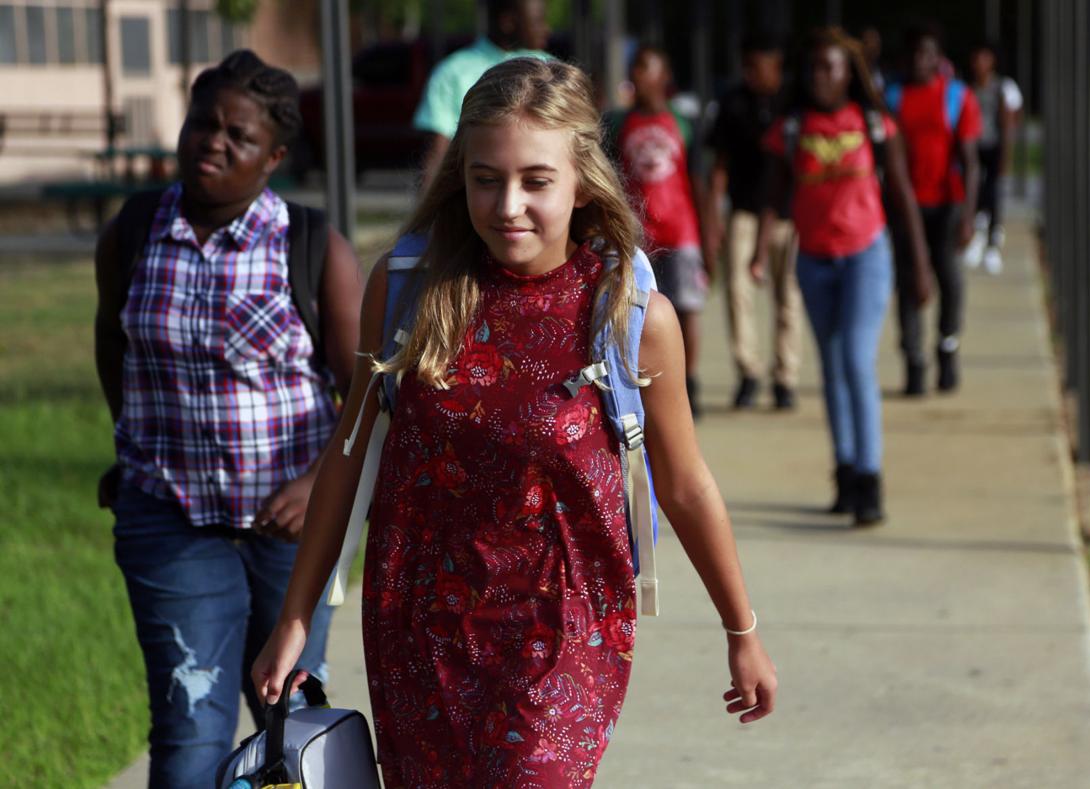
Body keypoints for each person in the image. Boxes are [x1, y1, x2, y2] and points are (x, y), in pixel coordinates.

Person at [251, 57, 777, 788]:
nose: (507, 206)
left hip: (562, 632)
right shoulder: (407, 292)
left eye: (536, 180)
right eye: (485, 178)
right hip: (419, 626)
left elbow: (685, 484)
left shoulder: (629, 317)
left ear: (582, 181)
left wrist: (741, 629)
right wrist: (296, 620)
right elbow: (348, 458)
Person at [92, 50, 364, 788]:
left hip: (291, 539)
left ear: (273, 157)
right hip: (170, 521)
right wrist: (137, 447)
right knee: (188, 731)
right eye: (201, 123)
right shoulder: (136, 231)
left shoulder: (310, 248)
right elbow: (113, 346)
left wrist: (316, 484)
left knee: (293, 728)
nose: (212, 142)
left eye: (236, 136)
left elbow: (369, 396)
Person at [757, 28, 932, 525]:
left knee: (856, 360)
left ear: (849, 73)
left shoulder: (873, 123)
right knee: (831, 368)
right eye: (814, 68)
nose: (821, 77)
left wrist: (919, 267)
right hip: (814, 261)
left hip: (865, 256)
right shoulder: (791, 127)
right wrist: (754, 250)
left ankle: (871, 480)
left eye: (831, 67)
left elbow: (900, 197)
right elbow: (772, 192)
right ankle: (846, 471)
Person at [606, 45, 709, 416]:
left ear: (664, 76)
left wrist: (709, 240)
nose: (638, 75)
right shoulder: (618, 124)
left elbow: (699, 184)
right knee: (640, 312)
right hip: (638, 237)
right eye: (635, 67)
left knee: (686, 310)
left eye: (646, 67)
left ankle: (688, 381)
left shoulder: (683, 122)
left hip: (681, 234)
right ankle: (648, 384)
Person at [705, 32, 803, 411]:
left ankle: (785, 378)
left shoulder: (793, 104)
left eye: (755, 65)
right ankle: (748, 371)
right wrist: (714, 219)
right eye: (744, 65)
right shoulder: (733, 103)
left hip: (787, 217)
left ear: (775, 65)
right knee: (738, 293)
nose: (748, 72)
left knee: (788, 296)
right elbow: (719, 168)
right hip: (744, 214)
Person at [885, 23, 982, 396]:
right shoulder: (893, 98)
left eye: (926, 53)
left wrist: (969, 217)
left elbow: (971, 161)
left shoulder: (957, 96)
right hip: (904, 203)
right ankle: (913, 359)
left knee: (950, 278)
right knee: (909, 283)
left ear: (938, 58)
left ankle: (947, 345)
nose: (918, 61)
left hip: (947, 203)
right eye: (912, 54)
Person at [413, 0, 550, 190]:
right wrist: (427, 213)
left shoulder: (550, 69)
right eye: (538, 21)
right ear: (507, 21)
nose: (546, 28)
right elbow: (438, 153)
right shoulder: (453, 73)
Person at [963, 40, 1023, 276]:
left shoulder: (1003, 87)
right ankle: (978, 231)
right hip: (974, 146)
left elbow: (1010, 119)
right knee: (976, 189)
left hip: (994, 146)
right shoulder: (968, 87)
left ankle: (993, 240)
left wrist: (1006, 155)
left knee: (993, 191)